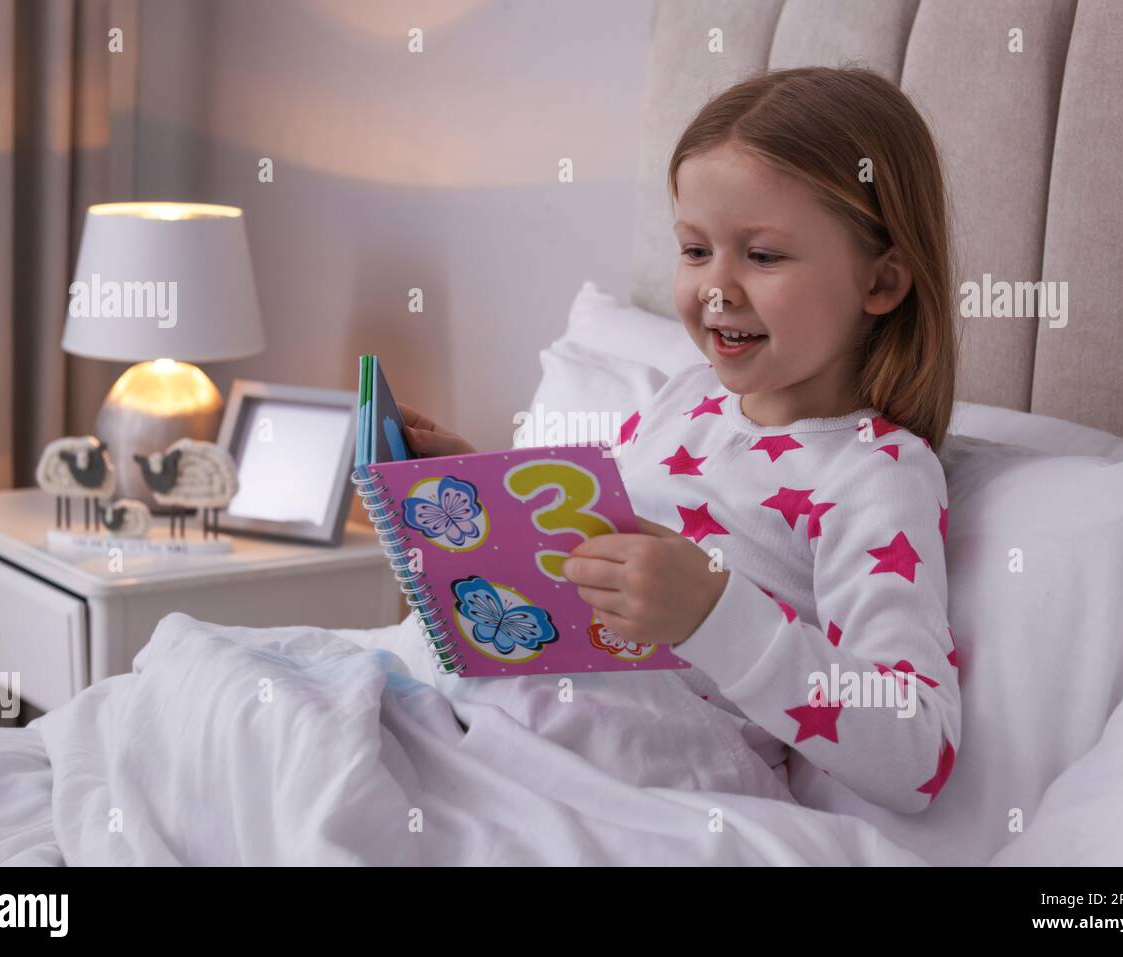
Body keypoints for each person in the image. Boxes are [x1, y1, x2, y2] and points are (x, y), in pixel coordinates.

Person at [399, 67, 959, 814]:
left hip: (643, 760)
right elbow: (594, 546)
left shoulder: (875, 472)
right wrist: (477, 496)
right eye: (696, 251)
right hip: (513, 698)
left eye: (762, 255)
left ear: (882, 282)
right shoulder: (687, 396)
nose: (716, 289)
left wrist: (714, 613)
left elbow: (915, 750)